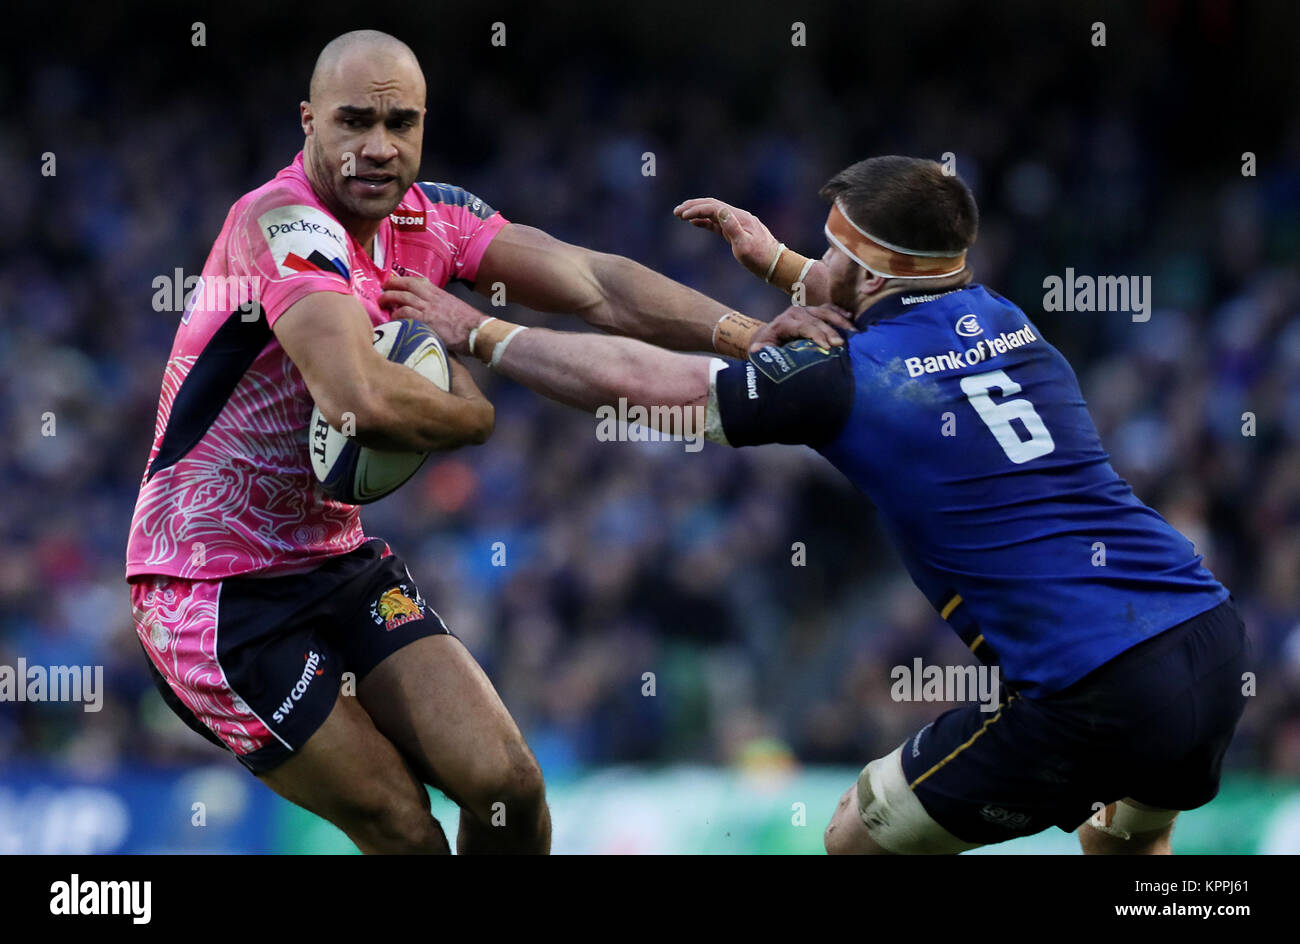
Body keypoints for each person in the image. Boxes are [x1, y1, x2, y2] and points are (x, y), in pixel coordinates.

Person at [409, 155, 1250, 855]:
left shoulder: (841, 379)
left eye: (830, 251)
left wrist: (480, 332)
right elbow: (880, 295)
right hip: (1204, 634)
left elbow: (637, 384)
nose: (819, 265)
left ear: (875, 269)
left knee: (857, 833)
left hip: (1090, 687)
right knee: (1128, 848)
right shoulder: (1000, 314)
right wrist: (776, 261)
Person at [125, 29, 827, 854]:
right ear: (308, 123)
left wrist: (749, 336)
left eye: (401, 123)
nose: (378, 148)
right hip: (208, 593)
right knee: (404, 830)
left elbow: (594, 285)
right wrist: (476, 409)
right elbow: (355, 399)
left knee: (508, 790)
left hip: (331, 560)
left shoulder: (432, 218)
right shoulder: (281, 223)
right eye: (354, 122)